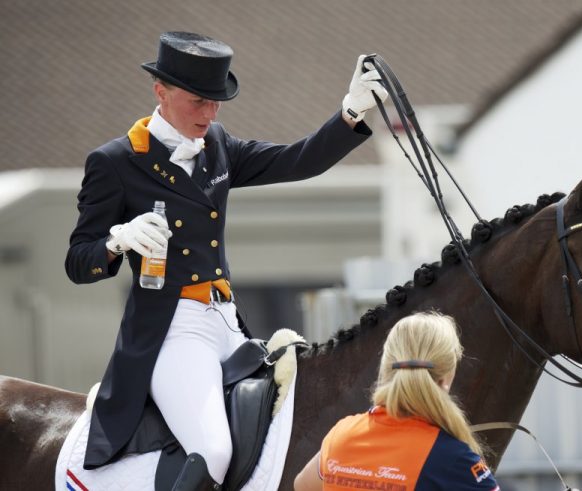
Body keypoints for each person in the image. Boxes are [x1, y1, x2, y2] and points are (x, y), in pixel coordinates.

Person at [65, 31, 387, 490]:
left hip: (227, 324)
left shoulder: (217, 144)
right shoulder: (116, 162)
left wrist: (351, 113)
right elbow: (78, 261)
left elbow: (297, 161)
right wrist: (118, 241)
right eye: (199, 101)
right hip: (172, 331)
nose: (210, 113)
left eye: (217, 102)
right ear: (161, 91)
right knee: (214, 451)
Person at [294, 312, 501, 491]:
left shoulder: (342, 433)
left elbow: (302, 485)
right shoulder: (454, 458)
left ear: (385, 369)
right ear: (445, 380)